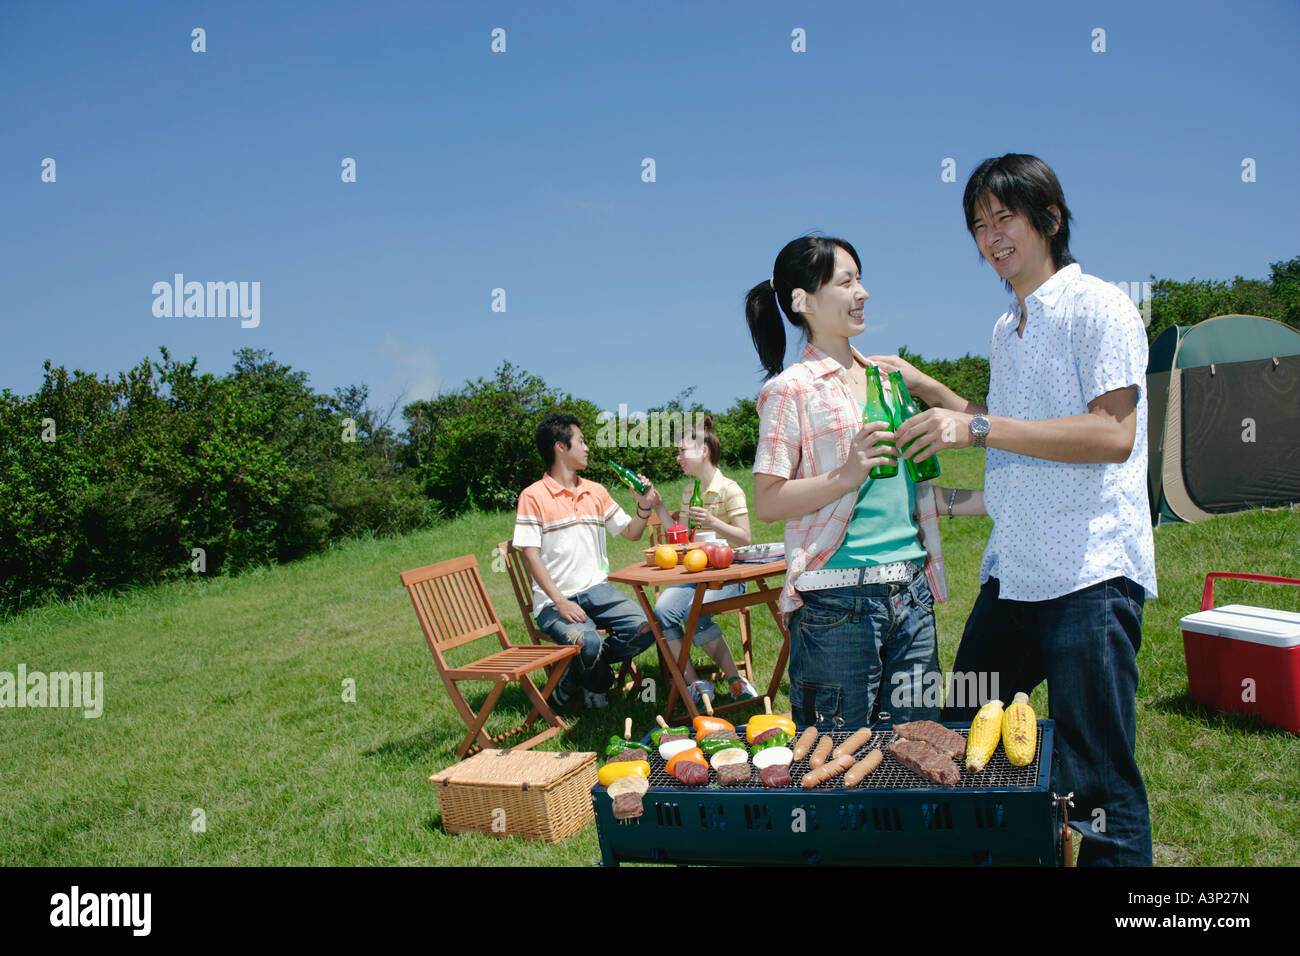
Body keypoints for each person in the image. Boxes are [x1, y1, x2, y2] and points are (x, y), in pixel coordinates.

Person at [875, 154, 1157, 866]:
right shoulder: (1008, 327)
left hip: (1089, 576)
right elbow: (1004, 418)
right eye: (978, 224)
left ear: (1049, 220)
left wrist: (973, 428)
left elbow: (1110, 433)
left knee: (1095, 779)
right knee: (961, 731)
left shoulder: (1101, 306)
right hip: (1015, 576)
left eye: (1004, 217)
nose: (991, 236)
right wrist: (928, 387)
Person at [747, 236, 983, 729]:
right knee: (833, 761)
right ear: (803, 301)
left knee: (915, 752)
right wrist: (845, 474)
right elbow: (767, 502)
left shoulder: (888, 380)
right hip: (837, 601)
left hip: (911, 592)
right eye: (846, 282)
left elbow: (907, 493)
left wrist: (985, 501)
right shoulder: (789, 390)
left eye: (861, 279)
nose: (864, 293)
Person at [513, 412, 660, 710]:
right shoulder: (533, 496)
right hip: (555, 601)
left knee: (647, 626)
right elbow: (530, 555)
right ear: (560, 447)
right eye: (581, 441)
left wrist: (644, 507)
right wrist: (561, 602)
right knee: (588, 642)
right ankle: (597, 683)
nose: (587, 447)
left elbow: (631, 533)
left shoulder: (597, 491)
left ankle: (575, 671)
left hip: (598, 590)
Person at [651, 414, 759, 704]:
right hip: (696, 576)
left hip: (728, 577)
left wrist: (714, 522)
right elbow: (682, 537)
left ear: (703, 451)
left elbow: (744, 537)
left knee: (692, 611)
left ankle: (735, 680)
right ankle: (695, 683)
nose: (678, 458)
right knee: (662, 611)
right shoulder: (690, 491)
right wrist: (659, 506)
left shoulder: (729, 489)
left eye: (682, 451)